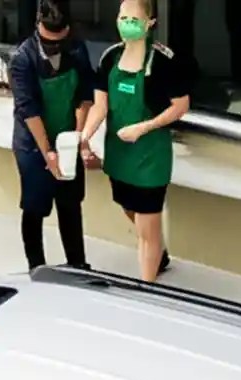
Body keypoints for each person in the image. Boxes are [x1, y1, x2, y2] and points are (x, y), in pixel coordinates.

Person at [81, 0, 193, 282]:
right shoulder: (109, 59)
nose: (125, 23)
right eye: (122, 16)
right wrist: (82, 137)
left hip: (149, 159)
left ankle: (146, 288)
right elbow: (100, 106)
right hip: (119, 157)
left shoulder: (163, 63)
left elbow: (181, 106)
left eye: (133, 18)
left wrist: (143, 127)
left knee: (147, 230)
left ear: (150, 22)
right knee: (130, 209)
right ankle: (159, 253)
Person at [9, 0, 97, 271]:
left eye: (59, 42)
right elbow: (29, 111)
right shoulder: (22, 60)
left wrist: (77, 138)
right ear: (38, 26)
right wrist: (48, 152)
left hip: (67, 137)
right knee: (35, 206)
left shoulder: (77, 49)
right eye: (48, 43)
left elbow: (84, 96)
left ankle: (77, 264)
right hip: (33, 147)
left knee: (70, 203)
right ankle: (36, 266)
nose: (54, 48)